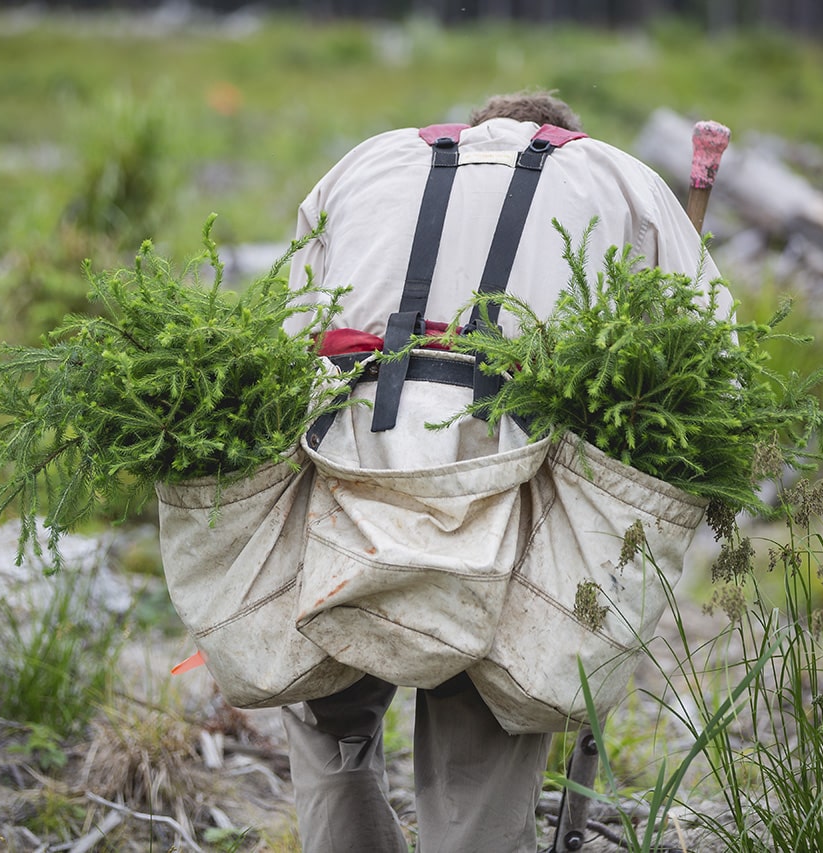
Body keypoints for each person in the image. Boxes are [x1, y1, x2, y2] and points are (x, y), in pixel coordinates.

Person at [281, 91, 724, 853]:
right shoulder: (624, 183)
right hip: (512, 493)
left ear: (483, 124)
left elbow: (286, 346)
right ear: (564, 137)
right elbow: (708, 370)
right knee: (488, 709)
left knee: (326, 709)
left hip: (351, 478)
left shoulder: (363, 164)